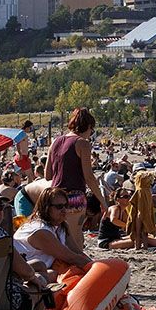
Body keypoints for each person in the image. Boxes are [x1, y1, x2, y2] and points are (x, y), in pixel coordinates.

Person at [45, 107, 107, 251]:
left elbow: (48, 175)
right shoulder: (82, 143)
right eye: (91, 131)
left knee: (60, 238)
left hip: (53, 198)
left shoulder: (55, 142)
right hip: (74, 198)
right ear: (89, 127)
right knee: (75, 238)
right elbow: (89, 177)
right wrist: (102, 201)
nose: (90, 135)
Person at [13, 187, 91, 274]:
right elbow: (70, 257)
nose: (64, 210)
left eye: (66, 206)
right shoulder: (40, 231)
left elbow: (77, 252)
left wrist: (94, 264)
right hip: (24, 272)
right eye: (59, 207)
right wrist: (96, 267)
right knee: (53, 274)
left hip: (45, 268)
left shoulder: (61, 225)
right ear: (46, 208)